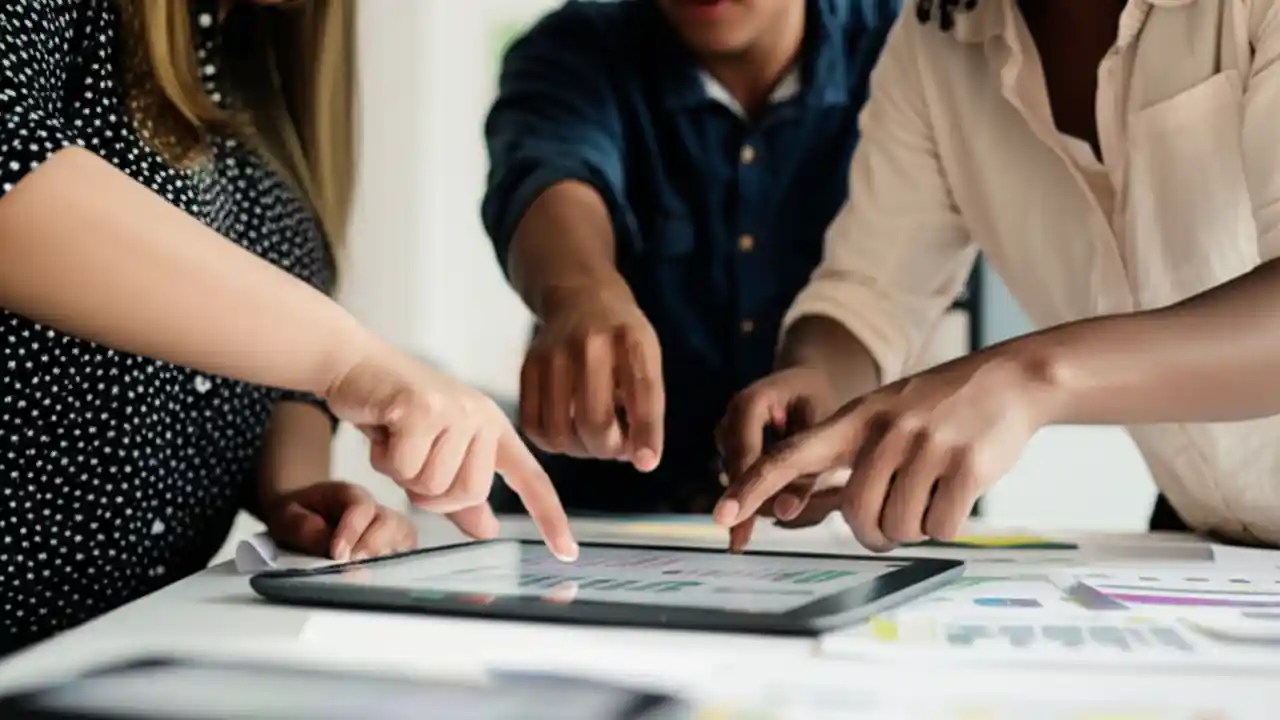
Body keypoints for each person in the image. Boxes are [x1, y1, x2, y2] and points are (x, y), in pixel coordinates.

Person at [0, 0, 576, 654]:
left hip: (120, 653)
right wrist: (352, 361)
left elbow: (275, 349)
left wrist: (294, 488)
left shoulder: (249, 46)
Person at [715, 0, 1280, 551]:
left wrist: (1029, 379)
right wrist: (819, 388)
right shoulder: (934, 39)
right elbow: (865, 296)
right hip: (1211, 546)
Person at [482, 0, 902, 513]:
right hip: (603, 516)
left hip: (857, 516)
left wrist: (833, 396)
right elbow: (548, 170)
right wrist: (579, 294)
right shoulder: (577, 47)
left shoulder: (908, 46)